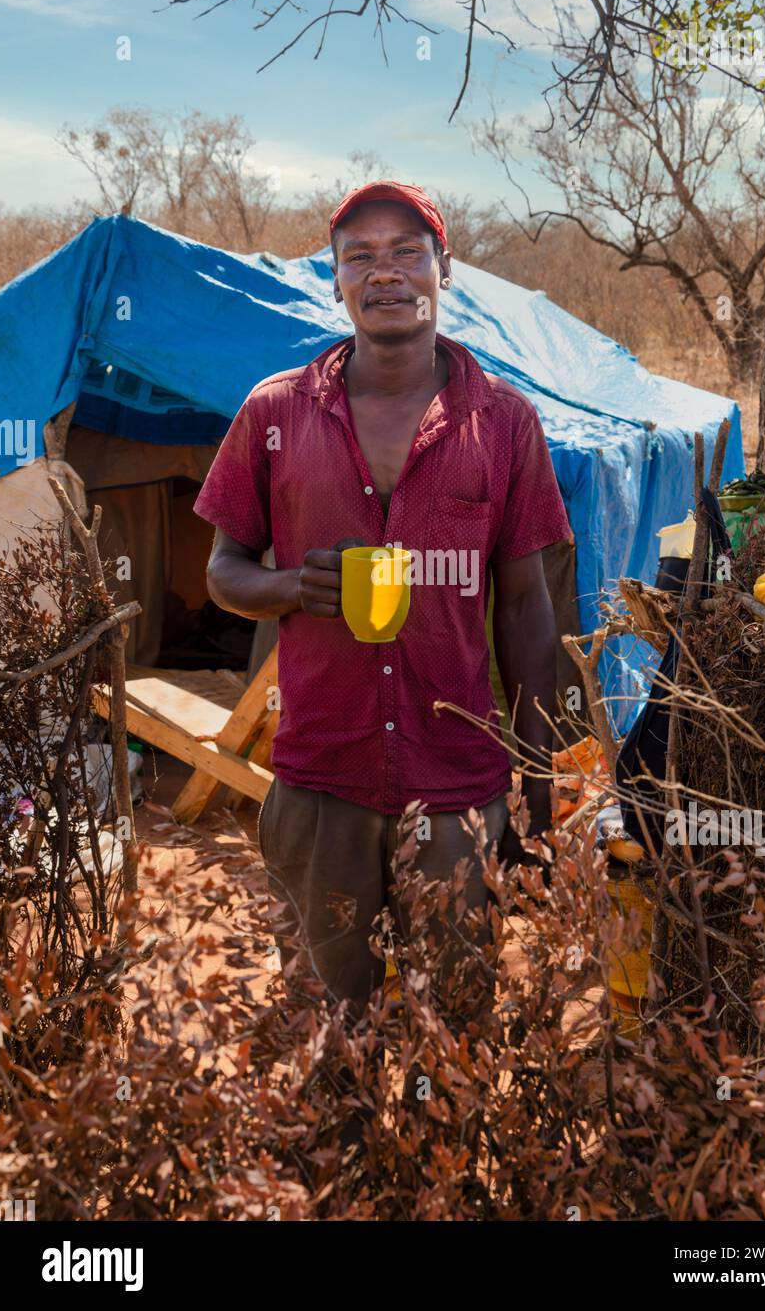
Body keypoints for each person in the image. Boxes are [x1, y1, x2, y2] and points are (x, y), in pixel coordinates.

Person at [194, 180, 572, 1034]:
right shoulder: (273, 412)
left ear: (446, 269)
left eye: (407, 251)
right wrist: (296, 586)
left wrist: (538, 783)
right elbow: (224, 571)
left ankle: (440, 1169)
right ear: (333, 280)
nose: (385, 272)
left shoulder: (505, 422)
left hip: (458, 790)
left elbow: (524, 611)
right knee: (330, 1029)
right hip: (322, 781)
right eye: (359, 255)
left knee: (454, 1031)